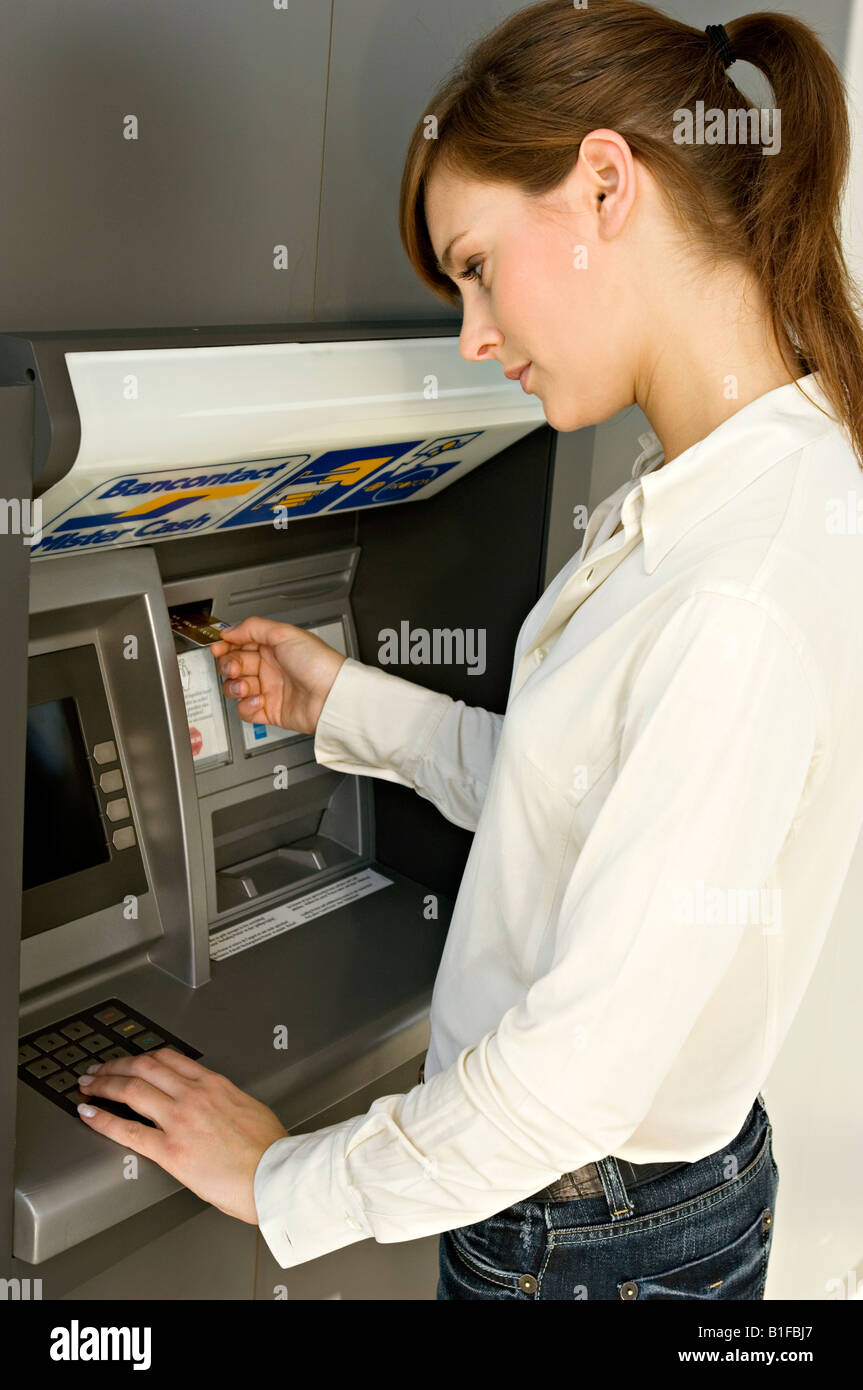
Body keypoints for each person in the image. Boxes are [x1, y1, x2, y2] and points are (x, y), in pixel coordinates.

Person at [78, 0, 863, 1300]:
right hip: (634, 1217)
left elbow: (576, 1075)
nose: (474, 336)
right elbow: (578, 801)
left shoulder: (738, 584)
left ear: (606, 184)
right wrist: (346, 701)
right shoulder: (750, 489)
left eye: (477, 264)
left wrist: (286, 1177)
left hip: (587, 1242)